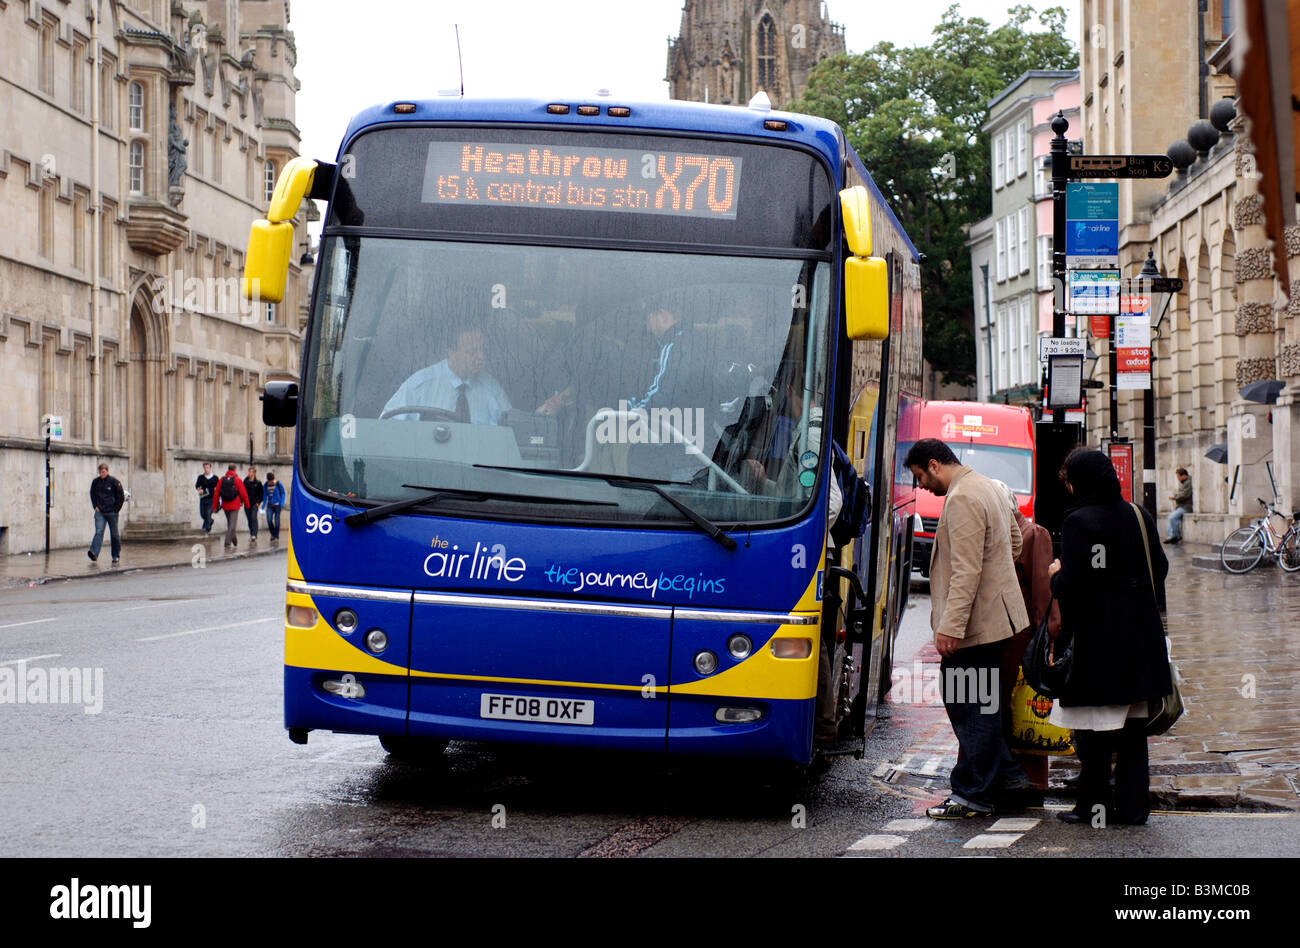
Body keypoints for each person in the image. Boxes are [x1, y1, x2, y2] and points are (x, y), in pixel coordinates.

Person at [903, 438, 1032, 819]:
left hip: (973, 628)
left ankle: (971, 794)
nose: (921, 486)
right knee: (983, 705)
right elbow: (1013, 544)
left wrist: (950, 629)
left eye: (920, 477)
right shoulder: (990, 486)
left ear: (934, 464)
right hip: (996, 622)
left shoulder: (961, 499)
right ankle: (1009, 777)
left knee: (968, 707)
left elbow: (965, 572)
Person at [1048, 448, 1172, 826]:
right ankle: (1134, 809)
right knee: (1133, 731)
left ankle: (1093, 807)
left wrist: (1056, 573)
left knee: (1094, 733)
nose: (1068, 489)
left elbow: (1074, 585)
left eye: (1069, 482)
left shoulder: (1078, 522)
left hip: (1098, 643)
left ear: (1080, 481)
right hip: (1139, 640)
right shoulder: (1138, 514)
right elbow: (1161, 567)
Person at [992, 479, 1060, 793]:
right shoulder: (995, 534)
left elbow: (1043, 595)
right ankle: (1001, 778)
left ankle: (1029, 782)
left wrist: (1048, 639)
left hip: (1023, 641)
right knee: (998, 709)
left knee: (1024, 708)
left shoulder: (1035, 534)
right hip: (997, 638)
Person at [383, 327, 511, 424]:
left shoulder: (492, 389)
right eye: (472, 352)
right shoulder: (420, 385)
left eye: (483, 350)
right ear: (451, 352)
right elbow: (388, 429)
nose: (481, 357)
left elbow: (512, 430)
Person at [88, 462, 125, 565]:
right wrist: (95, 505)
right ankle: (94, 553)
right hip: (100, 512)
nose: (101, 474)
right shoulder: (96, 482)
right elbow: (92, 494)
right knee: (99, 532)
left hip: (112, 512)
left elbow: (120, 496)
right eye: (100, 472)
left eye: (103, 472)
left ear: (107, 471)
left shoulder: (114, 482)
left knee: (114, 534)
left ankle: (115, 555)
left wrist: (116, 509)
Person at [215, 463, 250, 551]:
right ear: (235, 469)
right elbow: (244, 493)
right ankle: (227, 542)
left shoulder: (221, 480)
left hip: (225, 505)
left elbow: (216, 494)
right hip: (235, 505)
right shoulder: (237, 480)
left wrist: (215, 505)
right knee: (232, 525)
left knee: (230, 524)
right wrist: (247, 504)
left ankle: (234, 540)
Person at [1165, 466, 1192, 544]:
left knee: (1172, 517)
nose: (1178, 479)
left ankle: (1176, 536)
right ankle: (1171, 536)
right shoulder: (1185, 483)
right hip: (1181, 506)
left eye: (1178, 477)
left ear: (1183, 475)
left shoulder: (1188, 482)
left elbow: (1185, 494)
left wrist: (1175, 497)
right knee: (1170, 517)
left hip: (1186, 507)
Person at [195, 462, 218, 534]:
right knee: (203, 514)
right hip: (203, 498)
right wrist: (199, 489)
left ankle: (206, 530)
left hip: (211, 499)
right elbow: (197, 486)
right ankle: (210, 521)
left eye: (207, 467)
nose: (206, 469)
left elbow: (219, 487)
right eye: (205, 468)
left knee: (208, 513)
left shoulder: (215, 478)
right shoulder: (200, 477)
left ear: (210, 468)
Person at [263, 471, 285, 544]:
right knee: (269, 520)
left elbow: (283, 493)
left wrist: (282, 503)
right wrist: (263, 506)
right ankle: (273, 533)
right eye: (270, 481)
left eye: (272, 481)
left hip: (278, 505)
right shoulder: (266, 485)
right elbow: (265, 496)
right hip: (270, 505)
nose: (271, 483)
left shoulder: (278, 484)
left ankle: (276, 536)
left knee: (277, 521)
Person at [243, 466, 263, 542]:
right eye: (249, 471)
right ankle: (252, 534)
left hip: (255, 504)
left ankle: (254, 534)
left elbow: (261, 494)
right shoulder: (245, 482)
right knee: (249, 519)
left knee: (253, 517)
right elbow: (242, 492)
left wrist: (258, 502)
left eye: (251, 472)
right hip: (247, 503)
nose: (249, 473)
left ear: (254, 473)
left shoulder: (258, 483)